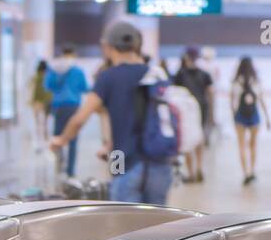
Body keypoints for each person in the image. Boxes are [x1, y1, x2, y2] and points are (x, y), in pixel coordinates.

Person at [49, 20, 173, 206]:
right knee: (157, 225)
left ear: (107, 47)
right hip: (161, 163)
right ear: (137, 46)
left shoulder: (108, 77)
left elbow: (80, 119)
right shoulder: (156, 74)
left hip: (122, 158)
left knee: (124, 222)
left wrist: (61, 140)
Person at [171, 47, 214, 182]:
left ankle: (191, 173)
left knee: (188, 140)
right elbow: (210, 94)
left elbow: (173, 94)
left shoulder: (180, 74)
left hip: (186, 111)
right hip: (202, 108)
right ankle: (199, 168)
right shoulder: (205, 74)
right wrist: (212, 114)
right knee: (199, 139)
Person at [45, 46, 88, 176]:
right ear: (73, 54)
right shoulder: (77, 70)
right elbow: (85, 88)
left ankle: (59, 164)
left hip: (58, 106)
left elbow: (48, 86)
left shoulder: (53, 69)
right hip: (73, 106)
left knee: (58, 136)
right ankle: (70, 171)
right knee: (72, 137)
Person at [231, 56, 270, 185]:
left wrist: (233, 117)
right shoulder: (256, 82)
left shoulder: (236, 82)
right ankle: (252, 171)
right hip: (254, 115)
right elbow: (262, 101)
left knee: (241, 146)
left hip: (240, 116)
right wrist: (267, 118)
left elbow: (233, 102)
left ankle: (245, 173)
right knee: (253, 145)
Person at [30, 60, 53, 144]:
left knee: (37, 122)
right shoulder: (48, 77)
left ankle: (38, 139)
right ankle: (45, 138)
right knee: (45, 122)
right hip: (46, 101)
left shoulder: (35, 77)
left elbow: (31, 90)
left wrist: (31, 101)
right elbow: (50, 91)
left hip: (36, 102)